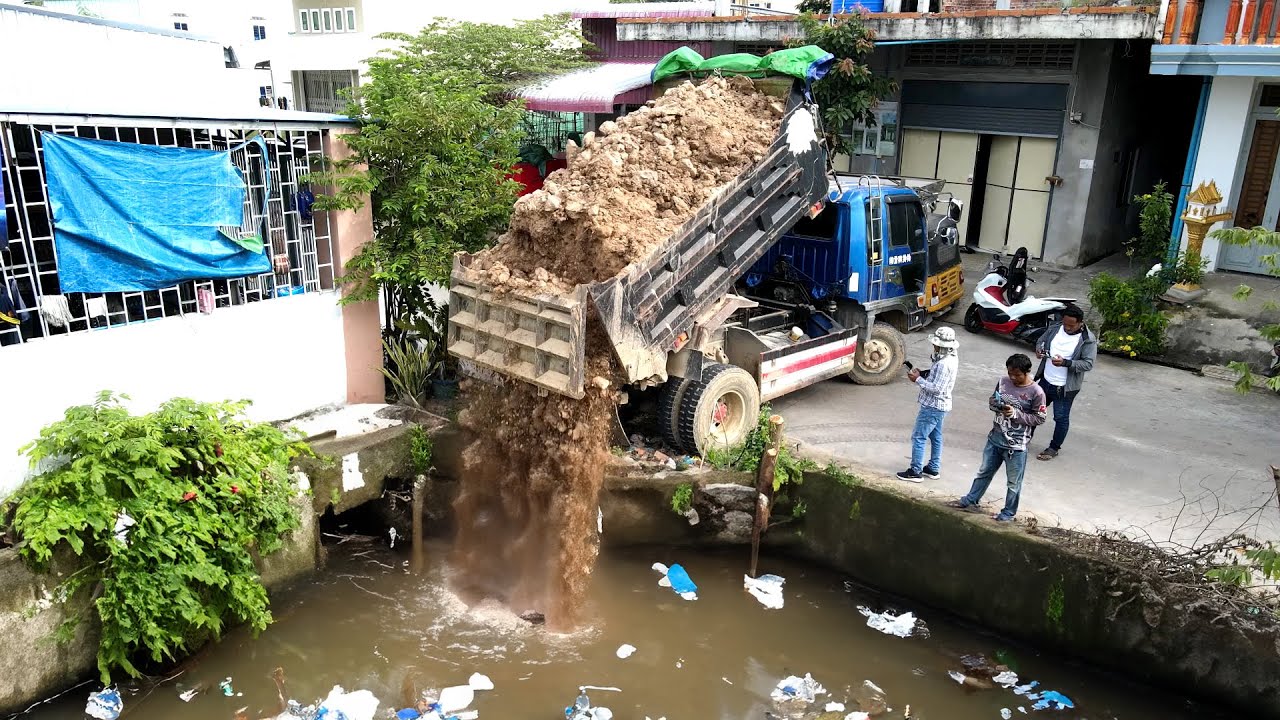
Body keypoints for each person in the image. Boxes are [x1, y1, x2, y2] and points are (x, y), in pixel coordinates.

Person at [948, 354, 1047, 522]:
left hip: (1016, 446)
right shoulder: (1003, 382)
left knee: (1013, 483)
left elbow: (1040, 418)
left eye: (1017, 375)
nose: (1013, 378)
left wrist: (1016, 414)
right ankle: (970, 500)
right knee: (984, 472)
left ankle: (1008, 513)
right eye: (1010, 373)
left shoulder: (1036, 392)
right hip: (995, 438)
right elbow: (993, 399)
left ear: (1027, 372)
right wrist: (996, 405)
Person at [1033, 305, 1097, 461]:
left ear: (1080, 323)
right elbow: (1041, 341)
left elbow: (1088, 364)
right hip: (1045, 380)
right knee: (1033, 411)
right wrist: (1039, 350)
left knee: (1060, 418)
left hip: (1065, 388)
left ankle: (1054, 448)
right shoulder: (1055, 328)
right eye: (1065, 324)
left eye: (1071, 325)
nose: (1067, 328)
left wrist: (1066, 363)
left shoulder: (1087, 340)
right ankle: (1024, 437)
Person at [897, 326, 960, 483]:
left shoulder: (943, 364)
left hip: (933, 406)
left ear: (941, 346)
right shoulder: (951, 358)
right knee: (936, 436)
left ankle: (915, 471)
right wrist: (924, 374)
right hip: (942, 406)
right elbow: (938, 379)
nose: (934, 347)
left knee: (919, 436)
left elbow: (936, 389)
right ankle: (933, 467)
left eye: (936, 345)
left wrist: (917, 379)